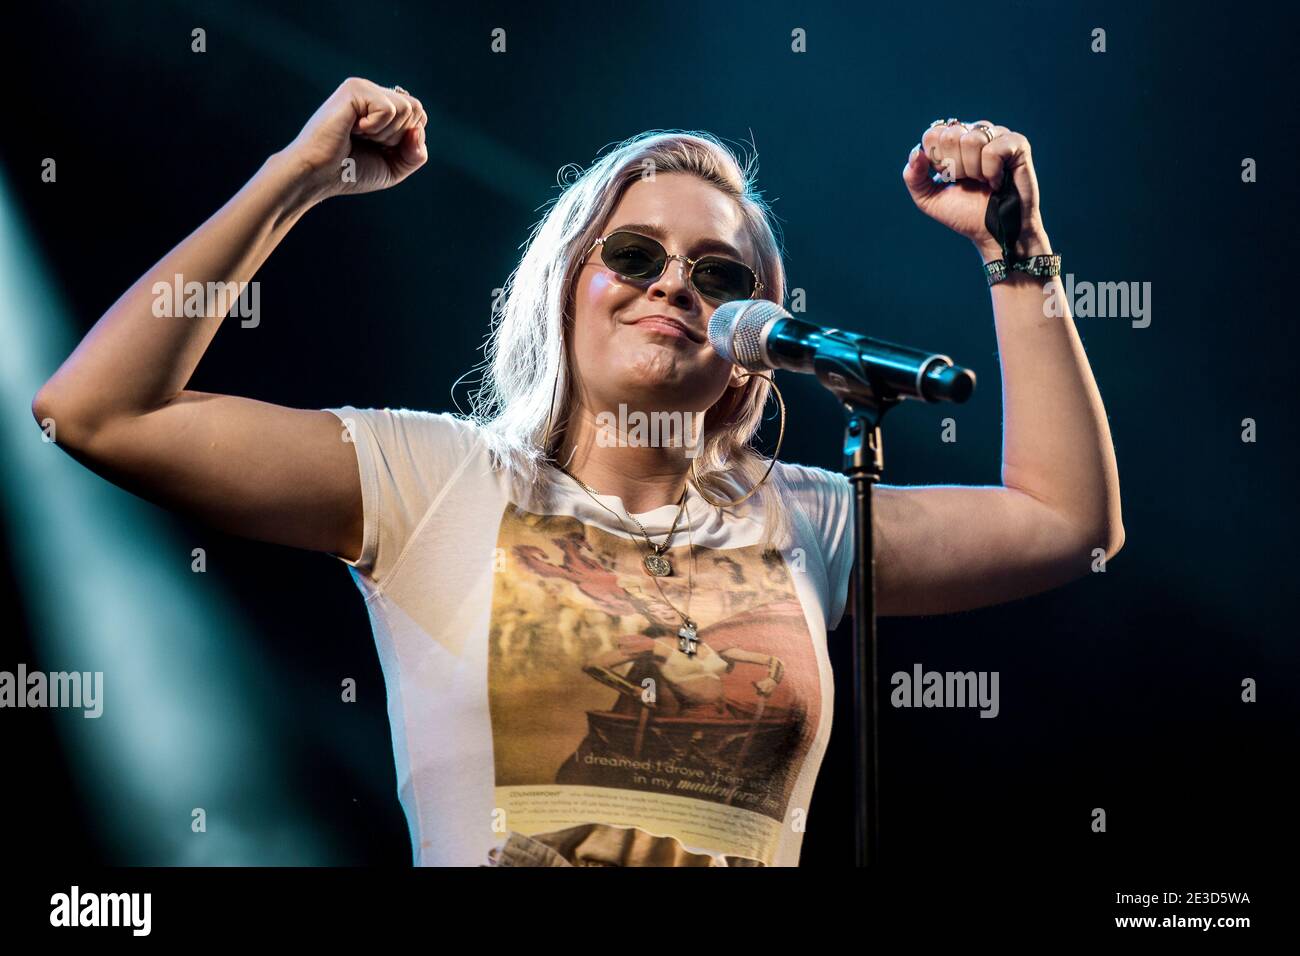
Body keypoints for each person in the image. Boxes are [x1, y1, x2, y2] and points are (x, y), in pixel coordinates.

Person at [32, 78, 1124, 867]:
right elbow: (96, 412)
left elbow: (1067, 519)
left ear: (751, 341)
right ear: (565, 290)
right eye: (634, 257)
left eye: (718, 274)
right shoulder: (438, 479)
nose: (674, 287)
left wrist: (1013, 253)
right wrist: (296, 178)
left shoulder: (802, 519)